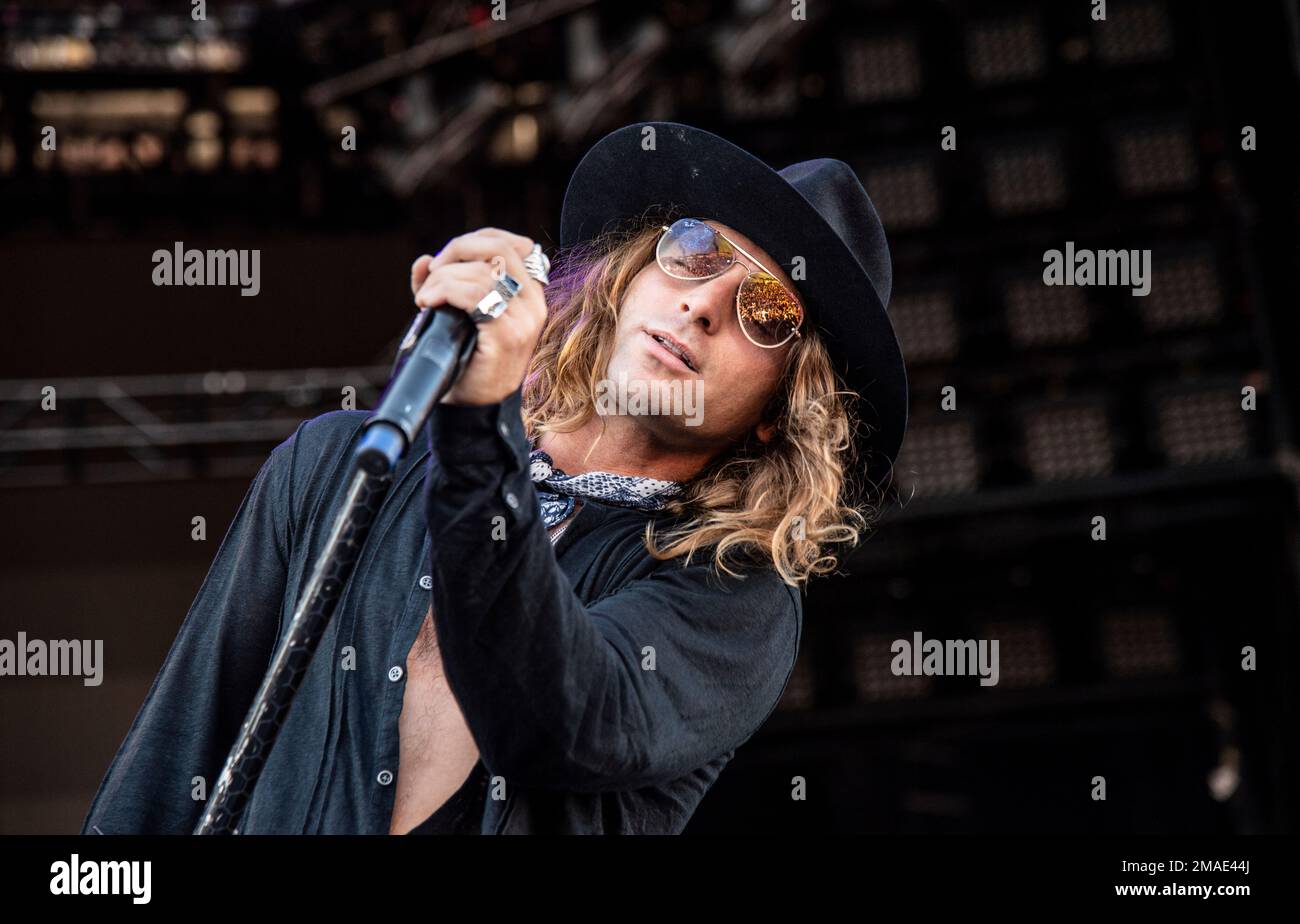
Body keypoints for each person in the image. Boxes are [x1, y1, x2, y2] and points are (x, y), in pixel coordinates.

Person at [80, 120, 908, 835]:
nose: (704, 304)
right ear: (630, 273)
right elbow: (179, 746)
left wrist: (481, 427)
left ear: (782, 407)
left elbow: (561, 713)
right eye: (696, 251)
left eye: (766, 310)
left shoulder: (736, 598)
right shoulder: (335, 464)